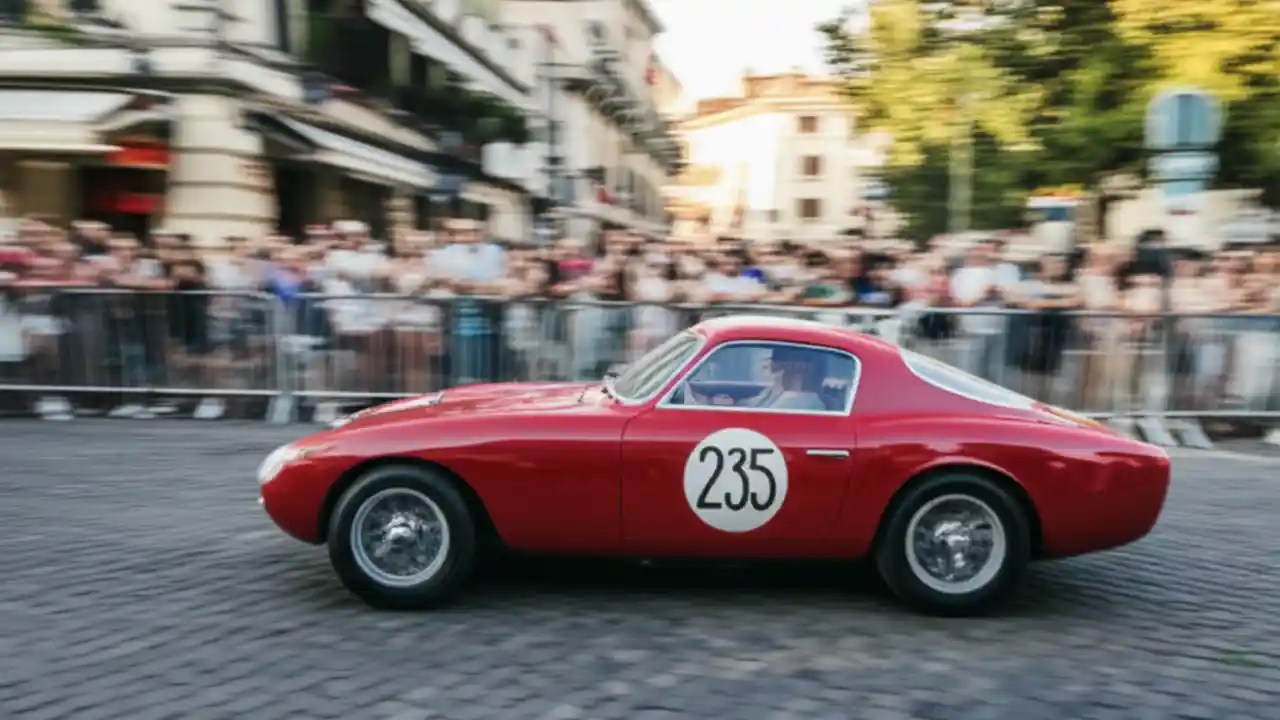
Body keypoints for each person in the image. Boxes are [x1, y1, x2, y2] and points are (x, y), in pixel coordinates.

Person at [686, 346, 826, 411]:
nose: (768, 361)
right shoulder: (779, 391)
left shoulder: (798, 401)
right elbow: (756, 403)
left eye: (775, 359)